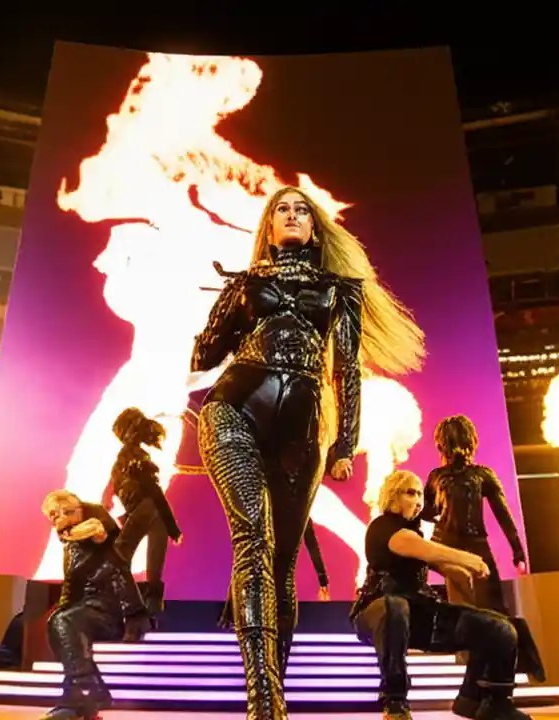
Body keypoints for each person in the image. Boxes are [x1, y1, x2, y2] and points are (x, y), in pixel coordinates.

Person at [192, 186, 424, 718]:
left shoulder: (338, 289)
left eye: (301, 210)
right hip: (233, 409)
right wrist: (225, 305)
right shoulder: (249, 283)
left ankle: (276, 686)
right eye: (281, 209)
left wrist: (345, 443)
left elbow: (345, 370)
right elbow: (206, 355)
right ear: (268, 228)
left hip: (302, 431)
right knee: (253, 537)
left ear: (315, 229)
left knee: (282, 561)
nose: (292, 215)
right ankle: (264, 703)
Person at [351, 471, 528, 720]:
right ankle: (395, 702)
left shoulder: (416, 534)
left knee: (500, 629)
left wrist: (467, 573)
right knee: (396, 606)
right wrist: (467, 559)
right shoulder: (382, 527)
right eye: (410, 493)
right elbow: (420, 548)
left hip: (420, 614)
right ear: (392, 497)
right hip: (376, 613)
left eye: (420, 494)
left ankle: (482, 700)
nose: (419, 501)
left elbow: (440, 564)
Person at [41, 490, 153, 720]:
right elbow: (71, 587)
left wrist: (134, 613)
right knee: (62, 625)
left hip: (110, 608)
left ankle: (89, 690)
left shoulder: (97, 529)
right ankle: (79, 704)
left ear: (80, 509)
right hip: (87, 608)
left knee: (65, 621)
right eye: (53, 514)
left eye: (66, 511)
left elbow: (100, 529)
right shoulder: (71, 546)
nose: (58, 517)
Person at [422, 415, 527, 613]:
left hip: (455, 544)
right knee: (483, 606)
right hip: (456, 546)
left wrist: (518, 551)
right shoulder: (469, 475)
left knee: (487, 606)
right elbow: (503, 515)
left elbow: (425, 514)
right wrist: (517, 551)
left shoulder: (444, 476)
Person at [107, 407, 182, 614]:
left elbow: (153, 491)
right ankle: (147, 607)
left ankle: (126, 603)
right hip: (148, 510)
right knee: (151, 564)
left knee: (123, 555)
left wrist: (171, 525)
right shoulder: (132, 456)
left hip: (147, 510)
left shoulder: (133, 456)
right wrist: (171, 526)